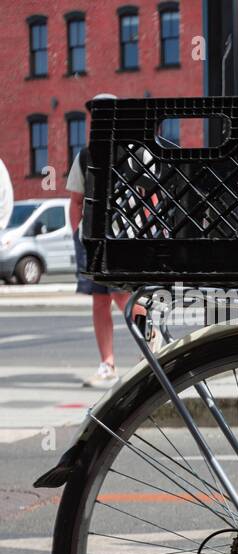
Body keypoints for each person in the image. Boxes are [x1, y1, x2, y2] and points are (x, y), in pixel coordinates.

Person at [67, 94, 130, 389]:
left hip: (125, 240)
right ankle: (108, 364)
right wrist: (78, 236)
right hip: (93, 240)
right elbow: (76, 201)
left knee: (123, 297)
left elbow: (151, 195)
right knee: (100, 301)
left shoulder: (133, 152)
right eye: (96, 114)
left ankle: (153, 341)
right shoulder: (85, 156)